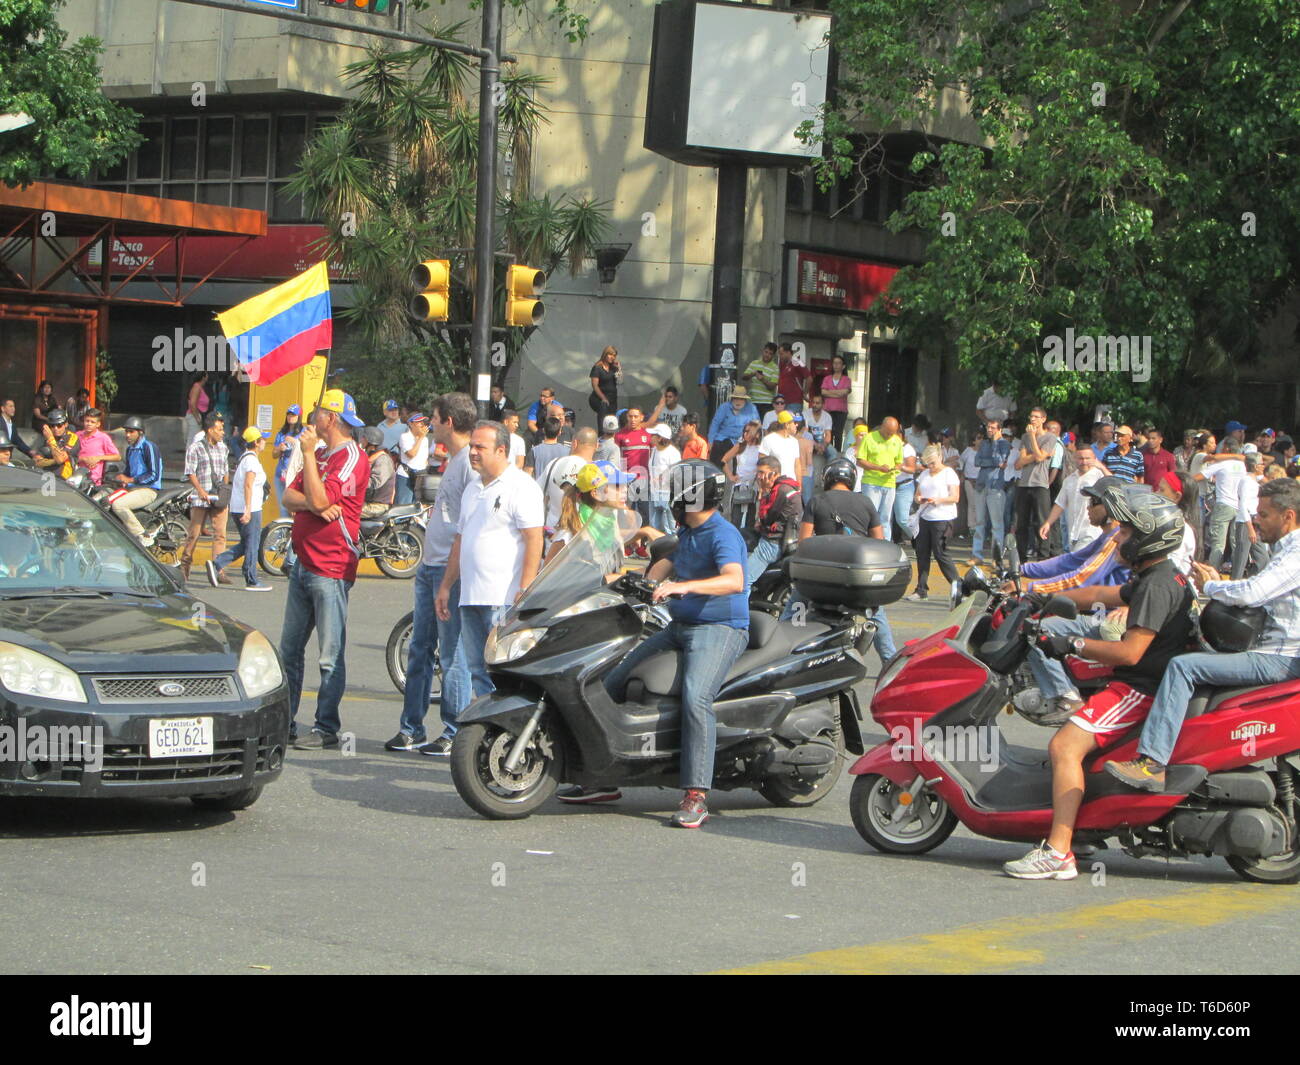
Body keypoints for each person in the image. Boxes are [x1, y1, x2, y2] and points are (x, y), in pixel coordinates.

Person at [1004, 492, 1193, 880]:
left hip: (1138, 691)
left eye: (1125, 531)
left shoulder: (1157, 586)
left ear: (1148, 539)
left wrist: (1071, 643)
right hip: (1135, 682)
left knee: (1064, 746)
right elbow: (1096, 594)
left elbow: (1130, 653)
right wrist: (1039, 598)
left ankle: (1058, 851)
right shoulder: (1155, 577)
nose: (1117, 537)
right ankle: (1080, 829)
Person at [1105, 479, 1300, 791]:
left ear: (1287, 516)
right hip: (1273, 651)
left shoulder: (1296, 551)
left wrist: (1210, 586)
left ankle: (1152, 762)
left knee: (1184, 666)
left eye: (1263, 515)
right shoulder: (1284, 550)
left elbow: (1253, 592)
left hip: (1279, 658)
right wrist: (1219, 581)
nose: (1256, 521)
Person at [600, 461, 750, 827]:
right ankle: (601, 777)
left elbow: (734, 580)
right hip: (681, 625)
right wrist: (624, 580)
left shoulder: (723, 534)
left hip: (719, 627)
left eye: (681, 487)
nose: (675, 494)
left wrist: (684, 586)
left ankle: (696, 794)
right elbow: (664, 562)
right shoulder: (688, 533)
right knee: (612, 680)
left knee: (696, 697)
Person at [388, 392, 477, 756]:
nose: (430, 425)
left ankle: (455, 729)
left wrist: (448, 578)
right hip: (429, 566)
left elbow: (468, 527)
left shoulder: (471, 463)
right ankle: (411, 728)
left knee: (452, 653)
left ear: (449, 422)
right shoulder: (454, 460)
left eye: (434, 419)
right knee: (420, 648)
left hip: (447, 572)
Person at [280, 391, 368, 748]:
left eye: (317, 412)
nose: (312, 417)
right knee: (289, 650)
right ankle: (284, 720)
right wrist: (315, 507)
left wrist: (315, 502)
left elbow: (319, 498)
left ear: (330, 418)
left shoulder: (350, 456)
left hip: (330, 568)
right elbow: (289, 497)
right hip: (303, 563)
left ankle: (326, 726)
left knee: (329, 655)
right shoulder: (318, 455)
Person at [436, 421, 545, 704]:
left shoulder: (521, 486)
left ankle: (511, 735)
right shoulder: (473, 488)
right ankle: (489, 735)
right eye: (471, 446)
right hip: (471, 598)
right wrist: (447, 586)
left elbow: (534, 539)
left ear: (501, 450)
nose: (472, 452)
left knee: (503, 673)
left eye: (479, 447)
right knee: (478, 671)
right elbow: (461, 541)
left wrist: (525, 587)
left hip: (503, 600)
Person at [787, 457, 898, 665]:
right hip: (857, 581)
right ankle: (891, 663)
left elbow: (803, 543)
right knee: (877, 613)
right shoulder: (866, 502)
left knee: (794, 607)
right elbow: (879, 542)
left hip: (823, 580)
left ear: (827, 478)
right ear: (852, 479)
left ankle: (785, 653)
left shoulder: (817, 501)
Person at [208, 427, 271, 591]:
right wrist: (248, 510)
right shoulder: (251, 461)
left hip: (239, 507)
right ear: (256, 443)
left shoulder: (245, 458)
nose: (264, 442)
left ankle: (217, 563)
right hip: (249, 508)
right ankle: (251, 579)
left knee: (246, 543)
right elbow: (248, 485)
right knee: (252, 543)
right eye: (262, 439)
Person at [179, 411, 230, 584]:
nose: (222, 432)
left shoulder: (223, 447)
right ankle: (185, 565)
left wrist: (224, 488)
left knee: (220, 534)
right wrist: (200, 491)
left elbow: (225, 471)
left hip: (218, 497)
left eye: (222, 429)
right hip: (201, 497)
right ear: (210, 430)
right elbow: (190, 472)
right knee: (194, 533)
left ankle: (219, 569)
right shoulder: (196, 447)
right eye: (219, 429)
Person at [906, 444, 960, 601]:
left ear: (940, 458)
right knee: (922, 553)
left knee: (940, 553)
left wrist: (938, 500)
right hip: (925, 516)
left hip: (943, 518)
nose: (930, 466)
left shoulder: (949, 473)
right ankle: (921, 589)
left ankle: (958, 586)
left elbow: (955, 497)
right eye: (928, 463)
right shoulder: (924, 474)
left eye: (933, 463)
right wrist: (919, 499)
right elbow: (917, 494)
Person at [746, 454, 802, 590]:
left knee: (742, 582)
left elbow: (766, 518)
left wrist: (764, 492)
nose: (759, 477)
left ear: (774, 473)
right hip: (778, 537)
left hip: (773, 542)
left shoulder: (781, 490)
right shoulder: (786, 487)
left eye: (762, 473)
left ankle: (738, 611)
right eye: (758, 472)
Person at [1039, 443, 1104, 552]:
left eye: (1087, 458)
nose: (1084, 462)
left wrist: (1102, 467)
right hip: (1073, 533)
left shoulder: (1100, 477)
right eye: (1080, 458)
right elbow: (1060, 504)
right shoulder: (1069, 480)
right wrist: (1047, 523)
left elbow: (1114, 487)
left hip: (1091, 532)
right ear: (1074, 459)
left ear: (1094, 459)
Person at [110, 416, 164, 546]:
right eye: (126, 432)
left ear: (140, 432)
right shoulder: (130, 450)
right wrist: (120, 478)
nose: (127, 435)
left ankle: (142, 536)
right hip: (133, 489)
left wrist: (131, 479)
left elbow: (154, 475)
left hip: (148, 490)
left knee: (118, 505)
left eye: (131, 432)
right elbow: (128, 472)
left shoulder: (149, 447)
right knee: (106, 500)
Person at [1014, 407, 1058, 560]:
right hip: (1024, 484)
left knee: (1041, 522)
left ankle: (1043, 558)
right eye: (1031, 416)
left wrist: (1033, 437)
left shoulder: (1050, 438)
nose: (1032, 419)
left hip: (1040, 484)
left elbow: (1039, 458)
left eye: (1036, 417)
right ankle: (1021, 559)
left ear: (1043, 419)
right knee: (1021, 524)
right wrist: (1036, 454)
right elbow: (1019, 463)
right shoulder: (1024, 437)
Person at [1199, 438, 1248, 571]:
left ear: (1226, 448)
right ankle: (1238, 572)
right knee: (1235, 542)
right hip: (1238, 506)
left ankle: (1213, 571)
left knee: (1218, 543)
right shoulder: (1243, 466)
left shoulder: (1222, 464)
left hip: (1223, 504)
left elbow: (1199, 476)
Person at [539, 426, 597, 534]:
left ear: (574, 443)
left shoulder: (554, 463)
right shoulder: (596, 472)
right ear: (597, 446)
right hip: (583, 536)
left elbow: (537, 493)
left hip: (553, 534)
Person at [855, 417, 904, 538]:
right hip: (871, 483)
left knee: (886, 518)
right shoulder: (869, 438)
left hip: (889, 483)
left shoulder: (897, 441)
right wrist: (878, 468)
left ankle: (885, 545)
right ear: (882, 426)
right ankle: (867, 542)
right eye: (887, 432)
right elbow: (860, 461)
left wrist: (895, 469)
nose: (889, 435)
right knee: (870, 516)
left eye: (892, 433)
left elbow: (899, 462)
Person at [973, 417, 1011, 566]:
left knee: (997, 524)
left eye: (993, 428)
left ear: (999, 429)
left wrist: (995, 443)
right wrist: (992, 463)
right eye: (988, 427)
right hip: (981, 485)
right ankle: (977, 555)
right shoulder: (983, 443)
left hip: (995, 486)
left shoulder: (1004, 444)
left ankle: (996, 557)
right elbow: (977, 461)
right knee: (979, 522)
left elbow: (1000, 462)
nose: (989, 430)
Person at [615, 407, 654, 524]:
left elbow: (653, 456)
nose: (633, 419)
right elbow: (617, 456)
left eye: (636, 416)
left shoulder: (648, 435)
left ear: (641, 417)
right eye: (630, 416)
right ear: (626, 417)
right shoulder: (620, 435)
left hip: (643, 479)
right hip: (627, 480)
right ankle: (629, 540)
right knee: (627, 512)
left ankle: (644, 540)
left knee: (644, 512)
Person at [721, 419, 763, 529]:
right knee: (736, 517)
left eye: (749, 431)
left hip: (753, 485)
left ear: (757, 434)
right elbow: (723, 460)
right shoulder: (740, 446)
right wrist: (731, 476)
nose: (746, 434)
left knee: (751, 517)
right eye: (744, 431)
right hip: (739, 484)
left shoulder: (761, 449)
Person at [706, 385, 759, 465]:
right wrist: (710, 442)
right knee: (716, 450)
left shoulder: (752, 409)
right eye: (736, 398)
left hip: (743, 442)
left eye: (741, 399)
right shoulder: (724, 407)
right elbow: (715, 424)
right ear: (732, 399)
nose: (738, 401)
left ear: (745, 400)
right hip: (723, 440)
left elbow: (757, 426)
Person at [647, 423, 681, 533]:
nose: (651, 437)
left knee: (670, 525)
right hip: (654, 492)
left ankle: (674, 548)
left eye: (653, 435)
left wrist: (663, 479)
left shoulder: (673, 453)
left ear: (660, 438)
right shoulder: (655, 450)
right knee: (654, 524)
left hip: (668, 494)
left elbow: (676, 473)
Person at [272, 405, 304, 517]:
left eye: (293, 415)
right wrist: (279, 449)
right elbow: (274, 454)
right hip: (280, 473)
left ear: (299, 417)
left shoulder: (303, 431)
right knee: (283, 508)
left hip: (295, 475)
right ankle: (284, 533)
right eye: (289, 414)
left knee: (294, 509)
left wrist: (294, 441)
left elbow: (307, 448)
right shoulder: (281, 432)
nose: (290, 417)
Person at [74, 408, 119, 486]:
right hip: (75, 478)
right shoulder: (76, 435)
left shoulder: (103, 438)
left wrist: (98, 458)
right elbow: (69, 456)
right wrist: (84, 459)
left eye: (92, 422)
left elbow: (117, 457)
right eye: (87, 421)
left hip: (94, 481)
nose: (89, 424)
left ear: (98, 424)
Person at [395, 411, 430, 505]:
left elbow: (425, 459)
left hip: (420, 476)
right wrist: (420, 438)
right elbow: (411, 454)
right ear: (410, 423)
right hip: (406, 475)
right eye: (418, 422)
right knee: (403, 506)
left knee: (418, 506)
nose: (422, 424)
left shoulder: (425, 440)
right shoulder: (404, 437)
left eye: (423, 422)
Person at [34, 408, 80, 480]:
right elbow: (37, 461)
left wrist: (51, 440)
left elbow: (60, 459)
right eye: (52, 425)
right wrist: (54, 461)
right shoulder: (47, 437)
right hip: (45, 476)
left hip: (63, 479)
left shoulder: (73, 437)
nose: (55, 428)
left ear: (66, 424)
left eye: (59, 425)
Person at [361, 426, 396, 516]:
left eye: (363, 437)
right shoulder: (369, 455)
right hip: (367, 502)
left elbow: (375, 483)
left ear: (370, 441)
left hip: (378, 505)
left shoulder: (383, 459)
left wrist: (357, 482)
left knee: (346, 512)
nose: (361, 439)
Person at [759, 409, 802, 482]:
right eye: (794, 422)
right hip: (774, 484)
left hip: (791, 485)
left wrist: (799, 486)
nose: (797, 425)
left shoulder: (794, 441)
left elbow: (797, 466)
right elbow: (761, 463)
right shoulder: (768, 439)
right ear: (787, 425)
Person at [820, 354, 852, 449]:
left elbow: (845, 392)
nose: (836, 365)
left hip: (841, 411)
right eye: (834, 363)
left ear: (843, 366)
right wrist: (838, 393)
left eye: (839, 363)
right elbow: (823, 392)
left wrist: (830, 392)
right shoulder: (827, 378)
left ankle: (837, 453)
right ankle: (829, 451)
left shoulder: (847, 379)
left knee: (838, 433)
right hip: (828, 409)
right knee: (829, 432)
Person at [529, 416, 569, 490]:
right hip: (559, 493)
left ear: (543, 430)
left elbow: (527, 474)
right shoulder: (567, 451)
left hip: (539, 493)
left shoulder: (534, 451)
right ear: (559, 432)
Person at [741, 342, 779, 418]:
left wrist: (763, 380)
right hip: (753, 401)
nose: (767, 355)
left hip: (767, 403)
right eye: (766, 352)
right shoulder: (754, 363)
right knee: (752, 426)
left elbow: (772, 386)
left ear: (773, 355)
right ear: (763, 351)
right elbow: (743, 377)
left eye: (770, 353)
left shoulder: (775, 368)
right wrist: (753, 374)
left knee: (763, 426)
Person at [776, 342, 809, 414]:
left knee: (792, 424)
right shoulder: (782, 364)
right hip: (782, 402)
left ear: (788, 352)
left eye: (781, 354)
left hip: (794, 402)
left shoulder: (797, 361)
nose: (780, 356)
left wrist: (805, 393)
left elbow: (809, 378)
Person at [588, 346, 620, 422]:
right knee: (603, 417)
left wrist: (619, 368)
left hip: (612, 399)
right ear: (605, 354)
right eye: (610, 354)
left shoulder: (614, 368)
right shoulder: (597, 368)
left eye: (614, 355)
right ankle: (601, 433)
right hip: (599, 398)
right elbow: (595, 386)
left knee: (611, 421)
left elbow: (620, 382)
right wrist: (603, 398)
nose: (612, 357)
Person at [184, 372, 210, 444]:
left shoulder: (200, 388)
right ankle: (190, 454)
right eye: (206, 375)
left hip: (198, 415)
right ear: (203, 377)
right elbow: (193, 403)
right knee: (193, 439)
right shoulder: (197, 387)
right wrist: (197, 418)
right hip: (194, 416)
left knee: (197, 439)